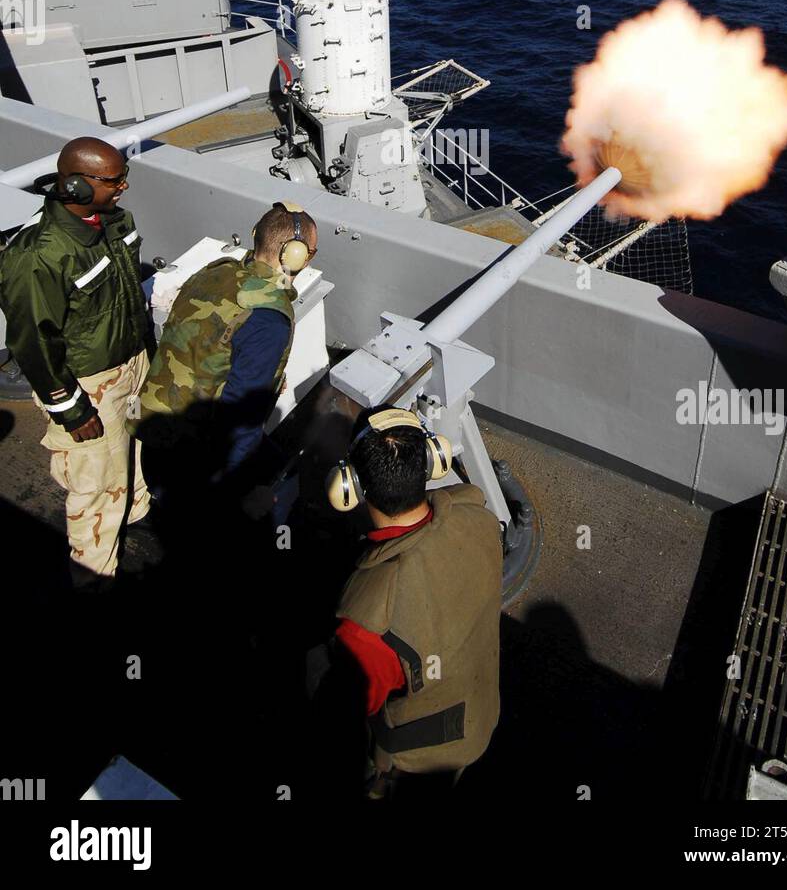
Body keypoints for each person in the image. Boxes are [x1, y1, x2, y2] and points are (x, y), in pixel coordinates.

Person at [326, 407, 503, 799]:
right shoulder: (478, 517)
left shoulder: (366, 618)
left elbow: (351, 708)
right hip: (481, 714)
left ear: (351, 487)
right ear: (432, 460)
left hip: (417, 761)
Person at [0, 137, 152, 579]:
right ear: (76, 187)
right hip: (92, 382)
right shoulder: (38, 255)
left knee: (133, 445)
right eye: (114, 180)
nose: (123, 186)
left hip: (132, 366)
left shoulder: (116, 220)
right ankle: (93, 573)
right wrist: (70, 407)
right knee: (93, 479)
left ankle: (134, 512)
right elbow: (32, 341)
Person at [134, 200, 317, 508]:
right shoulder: (267, 317)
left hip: (155, 432)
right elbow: (241, 416)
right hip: (196, 461)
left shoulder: (216, 272)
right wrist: (241, 491)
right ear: (295, 257)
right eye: (310, 253)